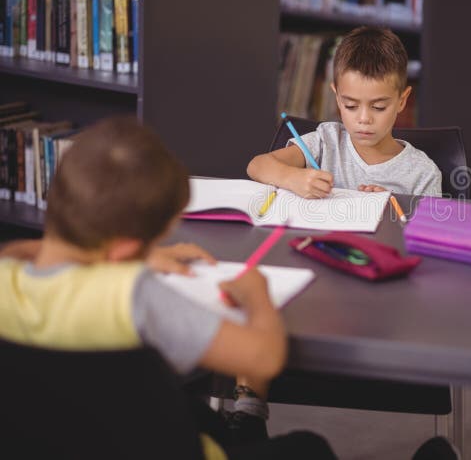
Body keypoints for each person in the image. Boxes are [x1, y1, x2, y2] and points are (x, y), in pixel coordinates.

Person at [0, 116, 337, 459]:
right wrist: (256, 294)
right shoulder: (132, 296)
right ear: (125, 249)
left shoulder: (6, 277)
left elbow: (18, 252)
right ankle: (248, 414)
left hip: (63, 439)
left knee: (194, 412)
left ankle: (245, 421)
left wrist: (136, 256)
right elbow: (263, 359)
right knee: (311, 448)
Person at [247, 26, 442, 198]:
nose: (364, 119)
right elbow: (257, 165)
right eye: (351, 106)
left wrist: (393, 210)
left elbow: (431, 234)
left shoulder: (423, 174)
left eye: (378, 107)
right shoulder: (326, 142)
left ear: (402, 101)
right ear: (337, 98)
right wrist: (293, 178)